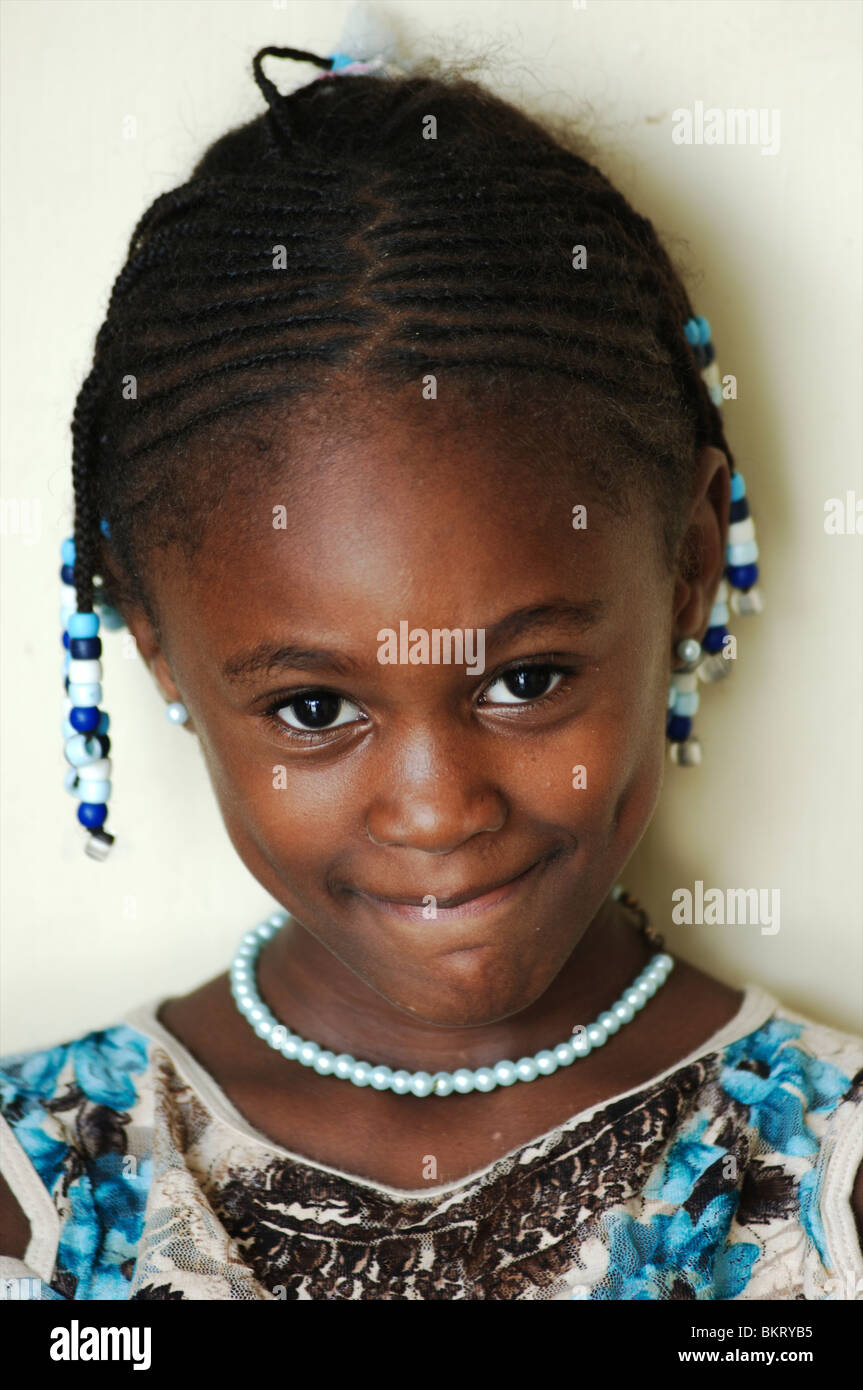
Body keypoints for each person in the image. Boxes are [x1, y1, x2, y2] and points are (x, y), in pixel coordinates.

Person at [1, 43, 861, 1302]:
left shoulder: (835, 1178)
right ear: (152, 645)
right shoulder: (32, 1200)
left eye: (524, 680)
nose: (437, 807)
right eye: (313, 708)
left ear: (686, 566)